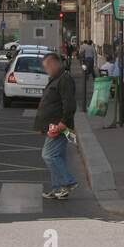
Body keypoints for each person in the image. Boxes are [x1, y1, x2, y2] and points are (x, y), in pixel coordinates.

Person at [34, 53, 79, 200]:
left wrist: (62, 124)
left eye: (47, 67)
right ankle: (58, 189)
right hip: (54, 126)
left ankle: (68, 181)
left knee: (49, 155)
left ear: (54, 64)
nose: (46, 70)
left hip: (59, 126)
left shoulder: (64, 79)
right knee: (57, 156)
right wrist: (42, 127)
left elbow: (70, 105)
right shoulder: (57, 78)